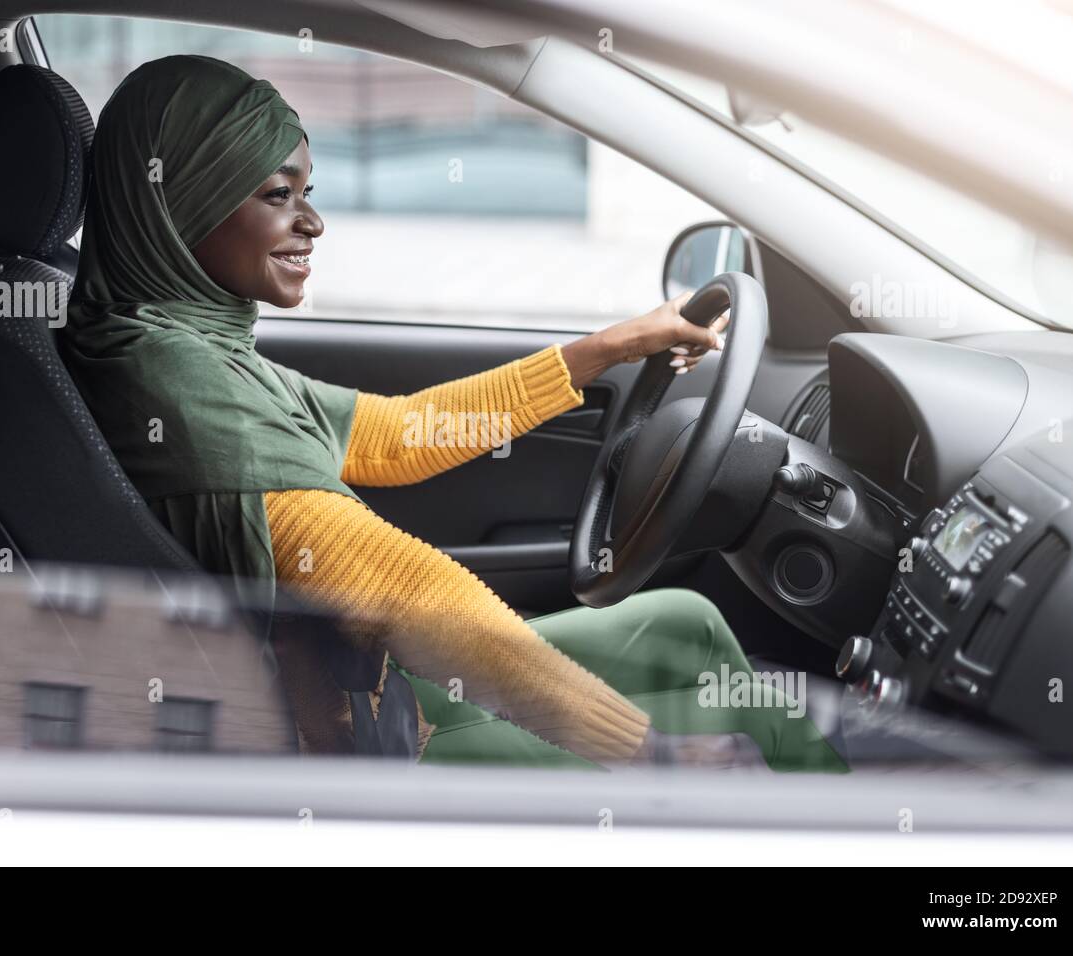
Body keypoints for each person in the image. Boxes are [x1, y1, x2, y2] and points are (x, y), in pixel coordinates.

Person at [63, 55, 845, 773]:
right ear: (184, 200)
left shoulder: (185, 339)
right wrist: (650, 756)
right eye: (278, 195)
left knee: (686, 624)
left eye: (309, 192)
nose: (313, 223)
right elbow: (401, 588)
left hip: (381, 696)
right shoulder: (167, 370)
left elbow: (398, 436)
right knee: (676, 771)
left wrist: (606, 349)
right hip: (363, 751)